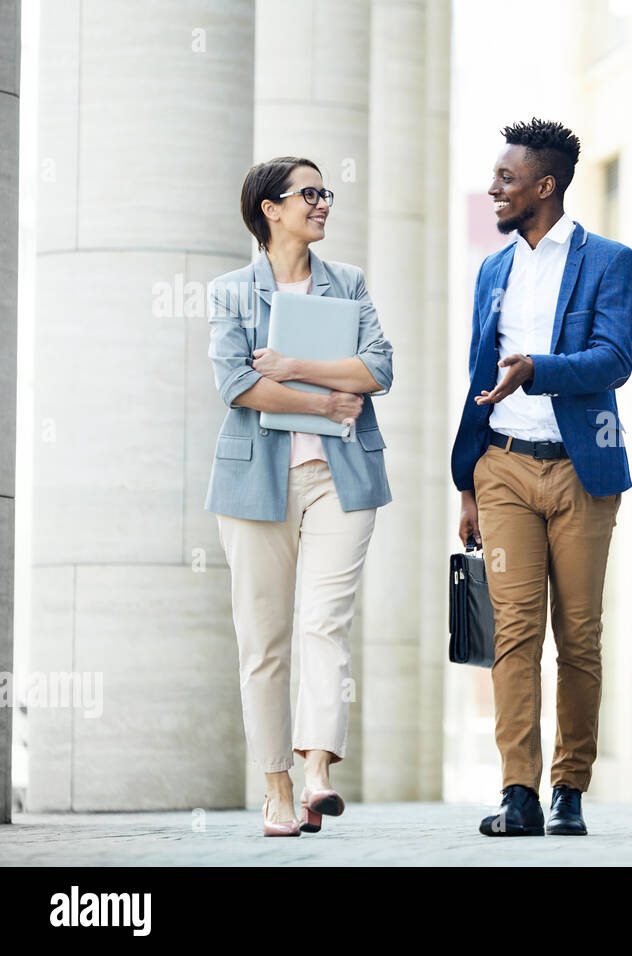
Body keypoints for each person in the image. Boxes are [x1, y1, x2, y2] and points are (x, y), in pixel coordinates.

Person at [450, 118, 632, 836]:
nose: (494, 188)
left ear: (544, 186)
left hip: (581, 473)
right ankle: (518, 794)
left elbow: (614, 359)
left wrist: (539, 371)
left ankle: (569, 789)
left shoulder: (610, 261)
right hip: (502, 469)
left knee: (580, 635)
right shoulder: (493, 270)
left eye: (506, 178)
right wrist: (466, 479)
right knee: (514, 635)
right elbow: (478, 373)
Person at [205, 156, 394, 836]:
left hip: (342, 479)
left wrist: (293, 367)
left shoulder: (349, 284)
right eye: (308, 193)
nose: (321, 203)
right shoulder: (231, 292)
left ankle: (318, 770)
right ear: (270, 209)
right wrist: (331, 398)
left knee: (326, 624)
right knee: (265, 640)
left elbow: (379, 368)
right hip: (256, 481)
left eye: (325, 192)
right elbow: (236, 385)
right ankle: (277, 790)